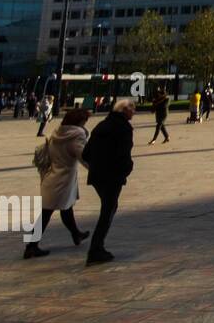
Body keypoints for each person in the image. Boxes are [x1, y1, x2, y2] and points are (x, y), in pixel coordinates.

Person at [24, 107, 92, 259]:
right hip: (63, 180)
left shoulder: (57, 133)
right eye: (84, 122)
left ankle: (76, 234)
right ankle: (31, 246)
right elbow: (83, 156)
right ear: (79, 122)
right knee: (47, 214)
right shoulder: (77, 136)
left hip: (52, 177)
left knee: (65, 209)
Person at [81, 98, 136, 266]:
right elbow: (123, 154)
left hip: (97, 175)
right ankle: (95, 249)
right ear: (124, 111)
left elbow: (85, 154)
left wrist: (98, 165)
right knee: (108, 210)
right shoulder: (124, 128)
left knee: (108, 207)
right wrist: (126, 169)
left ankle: (97, 248)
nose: (133, 112)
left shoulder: (101, 125)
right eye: (132, 109)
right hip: (113, 176)